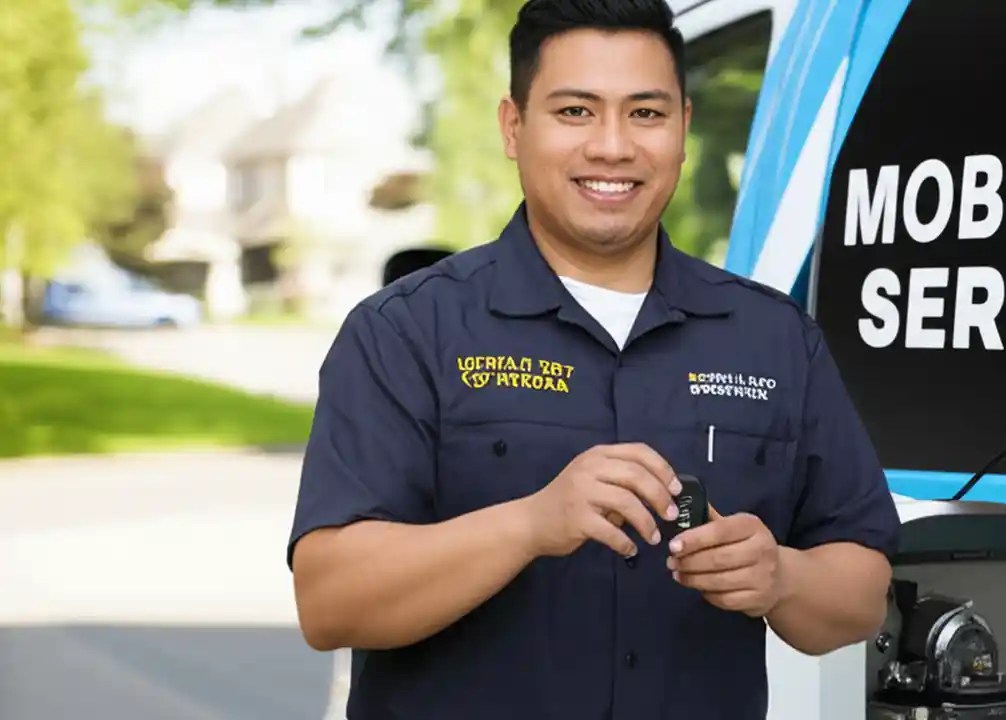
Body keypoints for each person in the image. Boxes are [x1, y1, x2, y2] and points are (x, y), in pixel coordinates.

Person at [287, 1, 901, 717]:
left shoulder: (775, 337)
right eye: (576, 111)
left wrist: (782, 577)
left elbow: (862, 593)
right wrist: (529, 524)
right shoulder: (404, 332)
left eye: (645, 114)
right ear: (514, 128)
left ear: (683, 127)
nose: (613, 147)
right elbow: (330, 602)